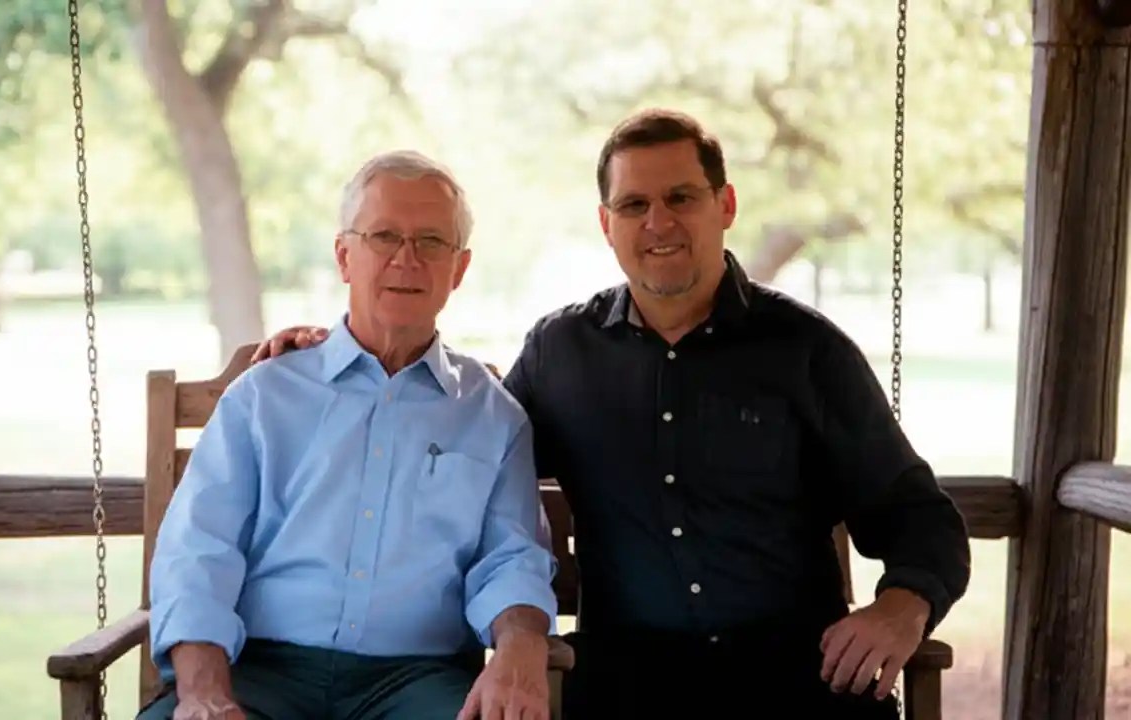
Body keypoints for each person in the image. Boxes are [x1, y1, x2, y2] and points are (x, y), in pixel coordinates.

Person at [251, 109, 972, 718]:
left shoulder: (807, 351)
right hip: (626, 686)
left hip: (796, 678)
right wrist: (335, 355)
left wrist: (901, 608)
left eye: (681, 197)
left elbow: (918, 514)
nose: (658, 221)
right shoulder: (564, 352)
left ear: (724, 206)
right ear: (607, 223)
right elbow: (458, 430)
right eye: (634, 205)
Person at [141, 150, 559, 720]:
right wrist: (204, 692)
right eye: (384, 236)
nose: (406, 259)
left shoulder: (492, 415)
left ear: (458, 269)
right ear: (345, 255)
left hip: (418, 682)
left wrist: (519, 647)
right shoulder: (265, 396)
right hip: (259, 674)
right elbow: (199, 552)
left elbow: (512, 559)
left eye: (432, 242)